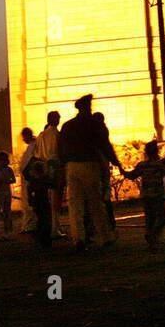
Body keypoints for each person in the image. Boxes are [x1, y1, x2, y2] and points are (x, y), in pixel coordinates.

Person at [58, 95, 123, 250]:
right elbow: (105, 145)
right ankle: (105, 236)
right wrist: (117, 163)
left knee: (75, 205)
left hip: (72, 166)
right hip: (89, 164)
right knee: (95, 202)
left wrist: (63, 166)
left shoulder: (67, 126)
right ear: (87, 107)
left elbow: (61, 149)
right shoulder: (94, 124)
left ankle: (78, 238)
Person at [125, 141, 165, 250]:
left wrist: (122, 170)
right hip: (157, 194)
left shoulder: (142, 165)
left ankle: (150, 236)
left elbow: (131, 176)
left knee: (150, 218)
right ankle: (154, 235)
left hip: (146, 195)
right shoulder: (160, 165)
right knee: (162, 217)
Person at [33, 110, 64, 239]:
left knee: (48, 201)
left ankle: (50, 227)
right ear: (55, 120)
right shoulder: (56, 135)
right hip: (55, 168)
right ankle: (55, 228)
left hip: (44, 168)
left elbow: (37, 153)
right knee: (56, 200)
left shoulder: (41, 135)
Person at [17, 128, 38, 233]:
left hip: (30, 178)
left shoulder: (34, 146)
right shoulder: (32, 146)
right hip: (27, 178)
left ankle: (30, 225)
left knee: (29, 203)